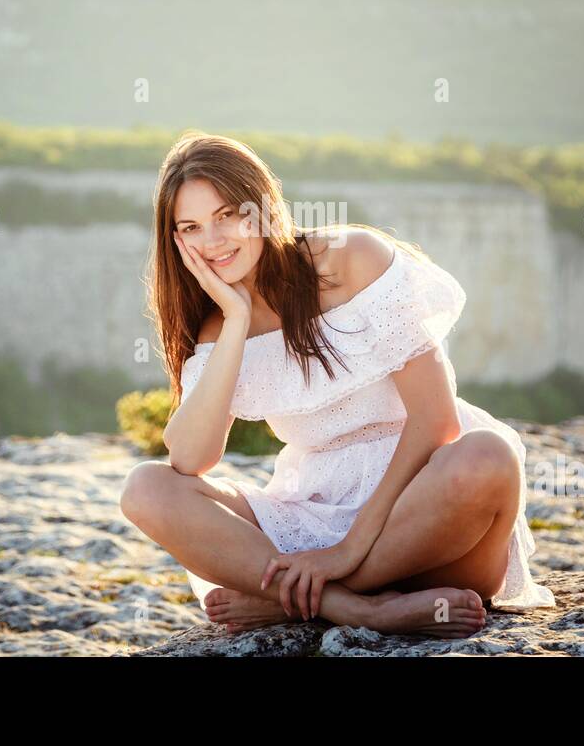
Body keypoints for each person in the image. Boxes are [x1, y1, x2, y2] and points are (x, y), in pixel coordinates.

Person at [120, 131, 556, 638]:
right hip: (313, 510)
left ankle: (289, 602)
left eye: (227, 215)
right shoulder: (218, 328)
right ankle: (357, 608)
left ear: (263, 207)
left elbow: (437, 421)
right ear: (176, 240)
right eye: (191, 227)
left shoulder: (351, 259)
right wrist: (236, 318)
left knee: (488, 456)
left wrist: (345, 552)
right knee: (146, 488)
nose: (213, 241)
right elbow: (191, 460)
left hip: (425, 516)